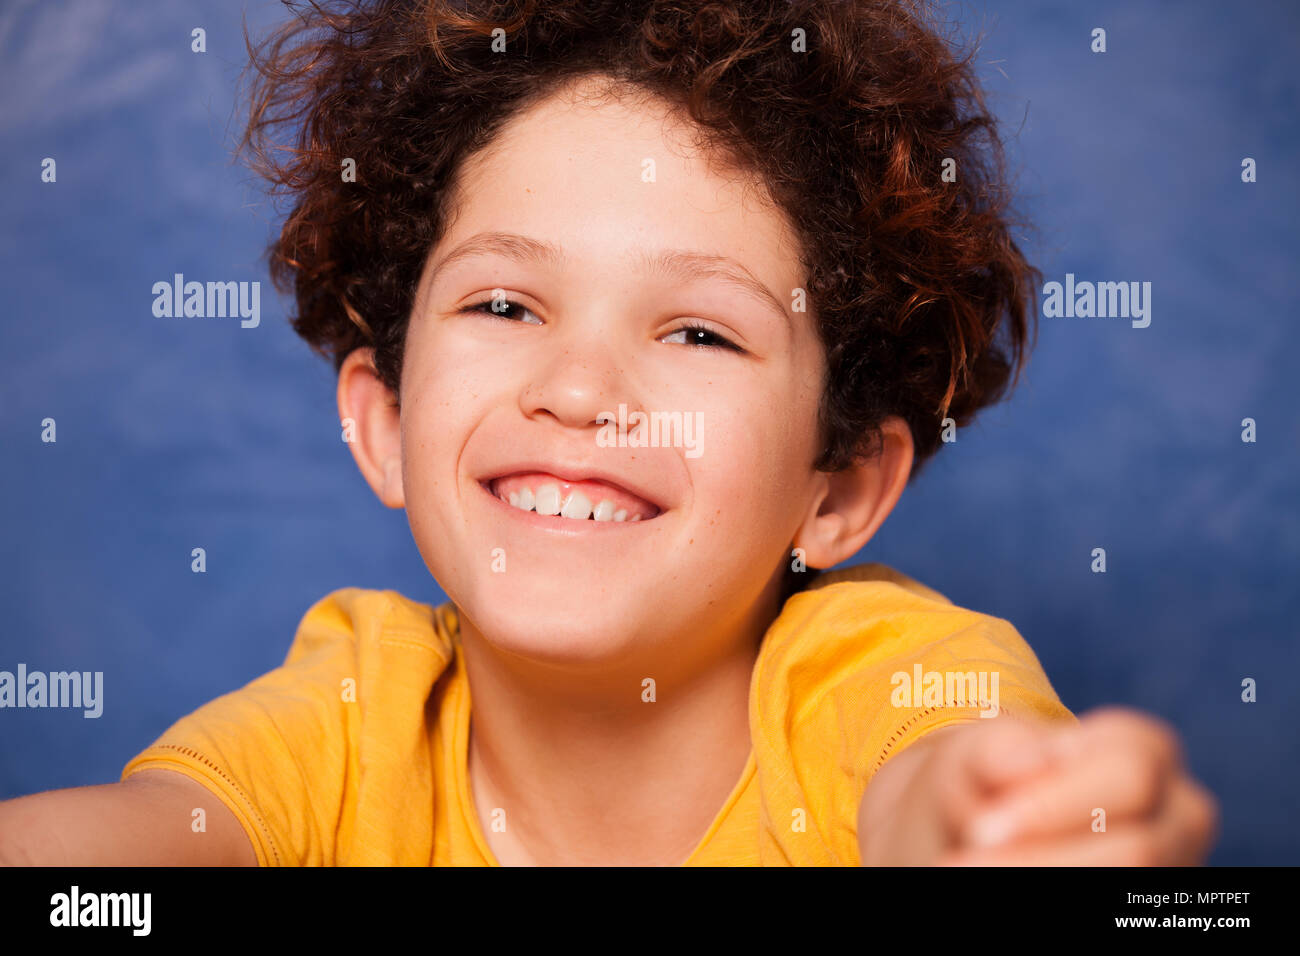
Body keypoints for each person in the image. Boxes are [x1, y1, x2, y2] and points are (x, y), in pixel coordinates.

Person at [0, 0, 1216, 866]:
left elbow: (936, 781)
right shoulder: (351, 715)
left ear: (835, 486)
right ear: (382, 418)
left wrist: (990, 822)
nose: (580, 390)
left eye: (698, 332)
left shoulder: (879, 675)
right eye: (504, 303)